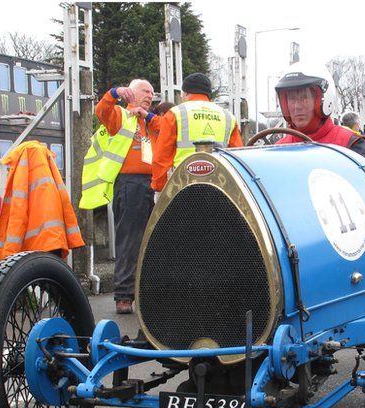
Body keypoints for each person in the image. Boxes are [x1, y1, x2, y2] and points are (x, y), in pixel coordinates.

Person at [79, 78, 157, 314]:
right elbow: (102, 110)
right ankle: (124, 296)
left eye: (153, 93)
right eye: (146, 91)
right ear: (131, 92)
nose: (150, 96)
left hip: (153, 184)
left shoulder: (149, 121)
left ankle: (146, 295)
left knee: (152, 242)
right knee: (130, 242)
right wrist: (114, 92)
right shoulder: (121, 116)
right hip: (130, 184)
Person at [152, 73, 243, 192]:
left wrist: (159, 186)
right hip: (218, 186)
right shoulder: (228, 117)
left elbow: (162, 156)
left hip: (184, 185)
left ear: (184, 93)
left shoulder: (176, 113)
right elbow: (237, 155)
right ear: (208, 94)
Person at [271, 67, 365, 164]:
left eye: (304, 98)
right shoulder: (278, 150)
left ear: (323, 100)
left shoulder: (352, 144)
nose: (297, 106)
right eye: (291, 99)